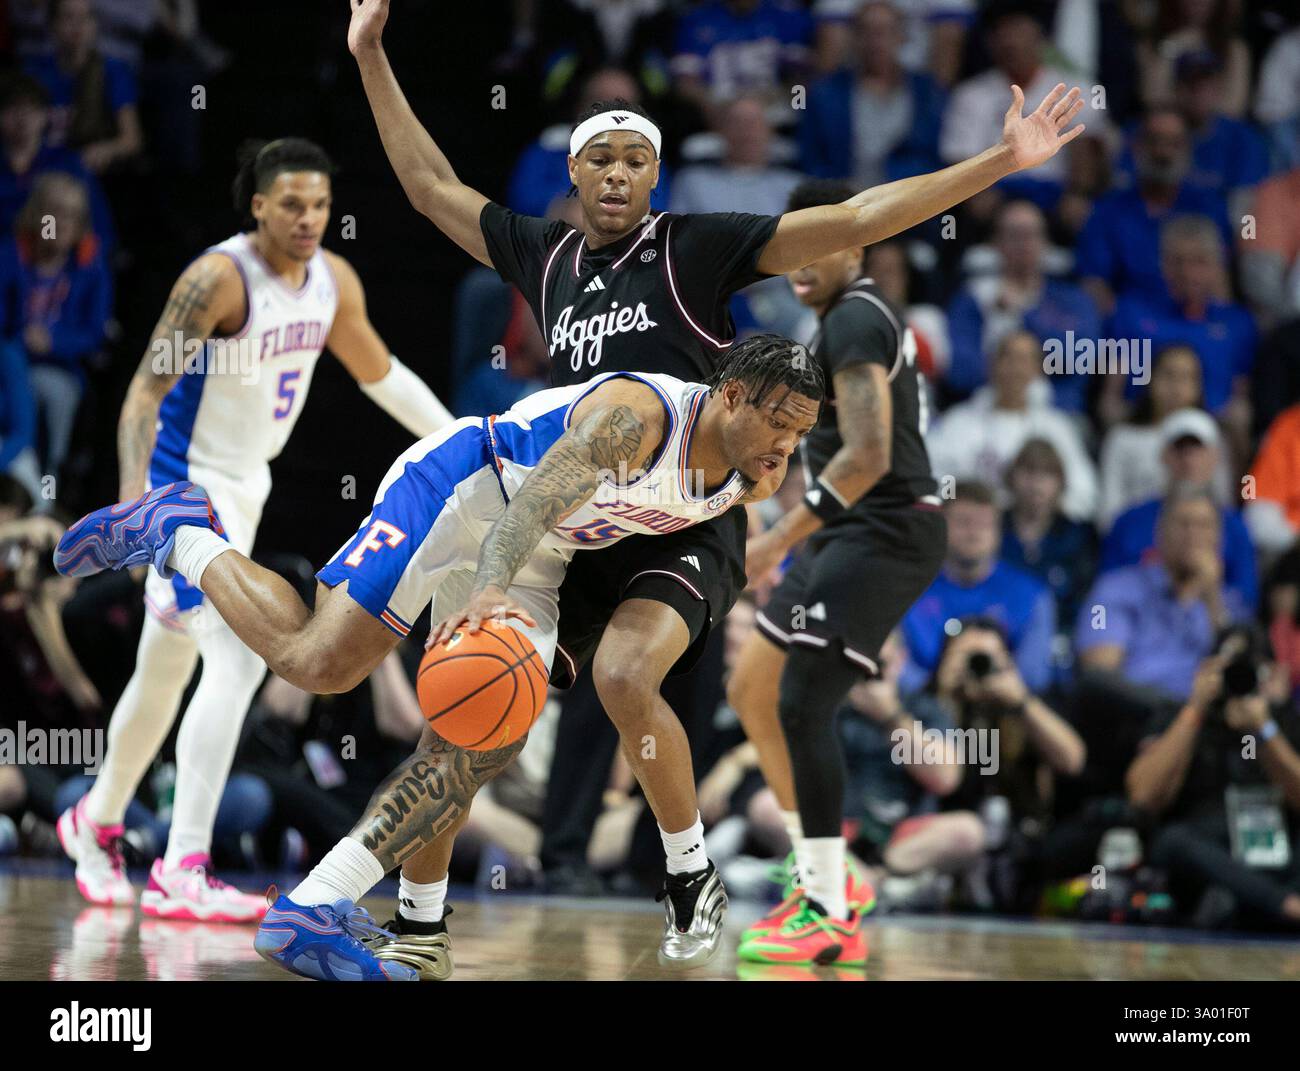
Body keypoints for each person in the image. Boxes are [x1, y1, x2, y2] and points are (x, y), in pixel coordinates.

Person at [342, 0, 1084, 969]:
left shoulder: (693, 246)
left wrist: (995, 163)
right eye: (598, 158)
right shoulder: (546, 254)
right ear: (573, 172)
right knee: (469, 714)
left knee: (623, 676)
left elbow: (854, 219)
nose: (615, 174)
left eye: (633, 161)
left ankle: (689, 868)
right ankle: (422, 925)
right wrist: (368, 52)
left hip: (688, 514)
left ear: (655, 176)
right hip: (587, 518)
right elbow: (429, 185)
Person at [54, 335, 827, 981]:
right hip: (463, 489)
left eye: (801, 434)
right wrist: (488, 587)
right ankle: (183, 530)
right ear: (728, 396)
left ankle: (336, 908)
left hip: (541, 556)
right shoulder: (637, 418)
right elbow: (529, 502)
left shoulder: (753, 477)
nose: (787, 448)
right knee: (318, 662)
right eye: (779, 425)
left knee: (483, 731)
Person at [53, 137, 455, 923]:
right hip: (182, 495)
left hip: (248, 487)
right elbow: (142, 393)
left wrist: (468, 443)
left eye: (322, 206)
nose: (310, 219)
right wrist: (137, 508)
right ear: (259, 206)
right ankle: (182, 864)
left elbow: (383, 376)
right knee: (237, 659)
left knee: (164, 673)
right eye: (293, 204)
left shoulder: (332, 281)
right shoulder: (216, 279)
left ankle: (94, 822)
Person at [724, 177, 945, 963]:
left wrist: (777, 537)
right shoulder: (838, 322)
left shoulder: (854, 315)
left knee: (803, 704)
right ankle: (830, 870)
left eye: (825, 242)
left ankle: (826, 906)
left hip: (884, 531)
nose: (803, 260)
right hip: (843, 533)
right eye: (796, 245)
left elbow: (869, 455)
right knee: (752, 687)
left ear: (860, 244)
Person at [0, 171, 111, 482]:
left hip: (59, 366)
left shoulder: (90, 267)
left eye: (72, 216)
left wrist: (53, 342)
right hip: (9, 358)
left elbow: (95, 332)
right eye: (55, 213)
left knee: (52, 392)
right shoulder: (10, 256)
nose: (62, 224)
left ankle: (46, 483)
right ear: (37, 214)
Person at [925, 328, 1099, 521]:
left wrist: (1046, 507)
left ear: (1036, 370)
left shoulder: (1057, 428)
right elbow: (936, 475)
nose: (1016, 368)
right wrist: (958, 497)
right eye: (1008, 358)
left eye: (1025, 360)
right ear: (991, 364)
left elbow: (1082, 490)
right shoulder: (958, 422)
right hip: (972, 527)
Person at [901, 480, 1056, 694]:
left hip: (1008, 711)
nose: (974, 533)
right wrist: (937, 686)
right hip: (923, 710)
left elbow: (1035, 676)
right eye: (963, 523)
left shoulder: (1032, 594)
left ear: (999, 532)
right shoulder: (906, 589)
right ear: (940, 527)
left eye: (984, 524)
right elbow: (896, 667)